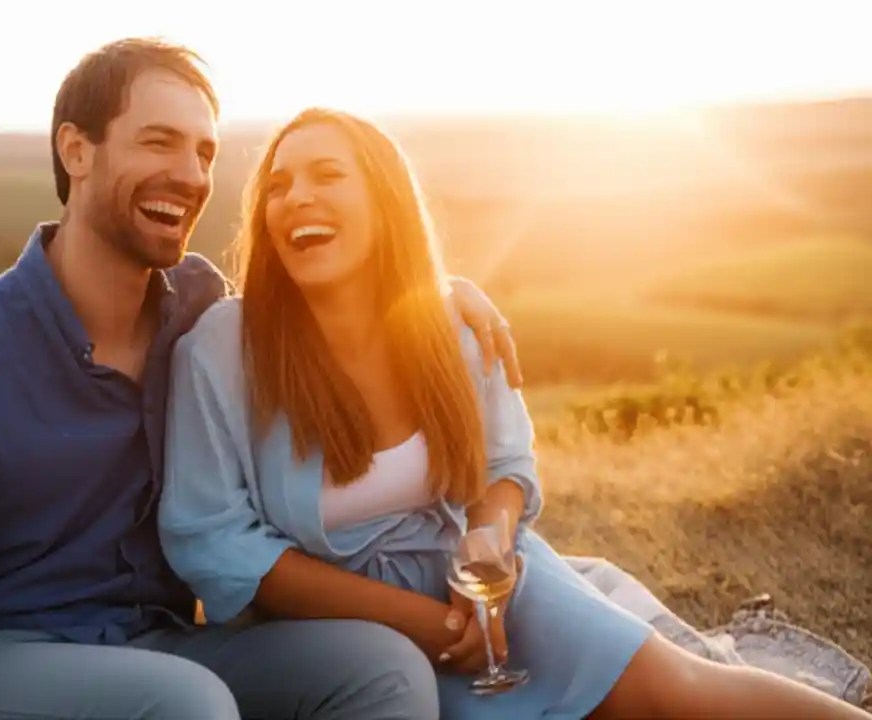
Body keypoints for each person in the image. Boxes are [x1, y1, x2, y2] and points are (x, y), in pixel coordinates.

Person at [0, 39, 522, 720]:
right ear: (76, 151)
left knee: (383, 667)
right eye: (159, 142)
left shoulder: (197, 308)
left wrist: (433, 296)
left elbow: (313, 311)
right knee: (187, 704)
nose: (191, 174)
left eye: (205, 151)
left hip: (163, 639)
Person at [158, 106, 872, 720]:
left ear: (385, 202)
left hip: (482, 588)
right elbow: (214, 544)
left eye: (327, 176)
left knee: (674, 689)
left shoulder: (449, 326)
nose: (296, 198)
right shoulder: (222, 350)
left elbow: (505, 467)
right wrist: (423, 619)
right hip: (345, 626)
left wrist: (490, 538)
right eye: (277, 186)